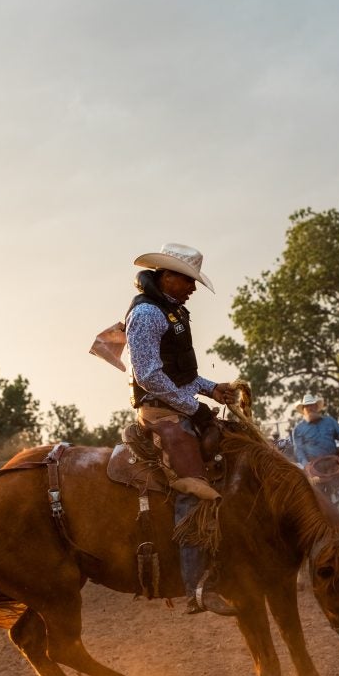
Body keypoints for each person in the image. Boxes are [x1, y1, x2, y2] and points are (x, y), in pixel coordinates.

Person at [125, 242, 237, 616]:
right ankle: (198, 587)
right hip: (160, 414)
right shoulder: (147, 315)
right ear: (167, 276)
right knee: (193, 488)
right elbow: (149, 376)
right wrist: (195, 407)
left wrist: (210, 389)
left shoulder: (169, 311)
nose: (192, 289)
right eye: (189, 281)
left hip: (176, 405)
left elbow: (179, 373)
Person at [292, 393, 339, 466]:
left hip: (334, 461)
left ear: (316, 407)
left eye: (312, 405)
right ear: (303, 410)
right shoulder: (298, 429)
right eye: (307, 406)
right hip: (314, 466)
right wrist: (306, 465)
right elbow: (298, 450)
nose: (310, 408)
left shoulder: (329, 421)